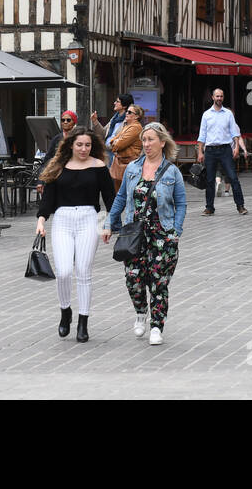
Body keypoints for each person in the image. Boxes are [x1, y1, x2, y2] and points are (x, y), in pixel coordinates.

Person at [104, 123, 186, 345]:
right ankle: (141, 312)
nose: (146, 144)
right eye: (144, 140)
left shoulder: (172, 172)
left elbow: (181, 203)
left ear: (162, 142)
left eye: (151, 140)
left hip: (162, 235)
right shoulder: (132, 168)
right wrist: (109, 223)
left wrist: (175, 231)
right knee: (134, 279)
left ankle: (157, 326)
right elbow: (120, 198)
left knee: (158, 283)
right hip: (134, 234)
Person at [36, 126, 113, 343]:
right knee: (63, 271)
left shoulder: (99, 167)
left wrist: (109, 224)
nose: (83, 149)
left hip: (90, 219)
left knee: (83, 271)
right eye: (79, 144)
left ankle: (83, 321)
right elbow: (48, 198)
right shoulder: (58, 166)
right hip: (62, 219)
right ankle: (65, 311)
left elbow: (110, 199)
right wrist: (41, 220)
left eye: (88, 145)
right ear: (71, 145)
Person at [196, 88, 247, 216]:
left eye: (221, 96)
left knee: (233, 178)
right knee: (209, 180)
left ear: (223, 98)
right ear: (213, 97)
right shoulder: (206, 115)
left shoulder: (228, 114)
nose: (219, 98)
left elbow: (234, 132)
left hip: (225, 149)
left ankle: (240, 206)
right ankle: (209, 207)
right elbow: (202, 135)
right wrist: (200, 152)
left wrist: (236, 147)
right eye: (217, 96)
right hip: (210, 150)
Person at [104, 104, 144, 192]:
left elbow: (118, 145)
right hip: (122, 163)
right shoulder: (127, 126)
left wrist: (116, 143)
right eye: (127, 111)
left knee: (126, 193)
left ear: (137, 116)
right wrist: (115, 142)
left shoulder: (135, 127)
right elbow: (112, 140)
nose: (126, 113)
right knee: (119, 192)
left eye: (130, 112)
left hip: (129, 164)